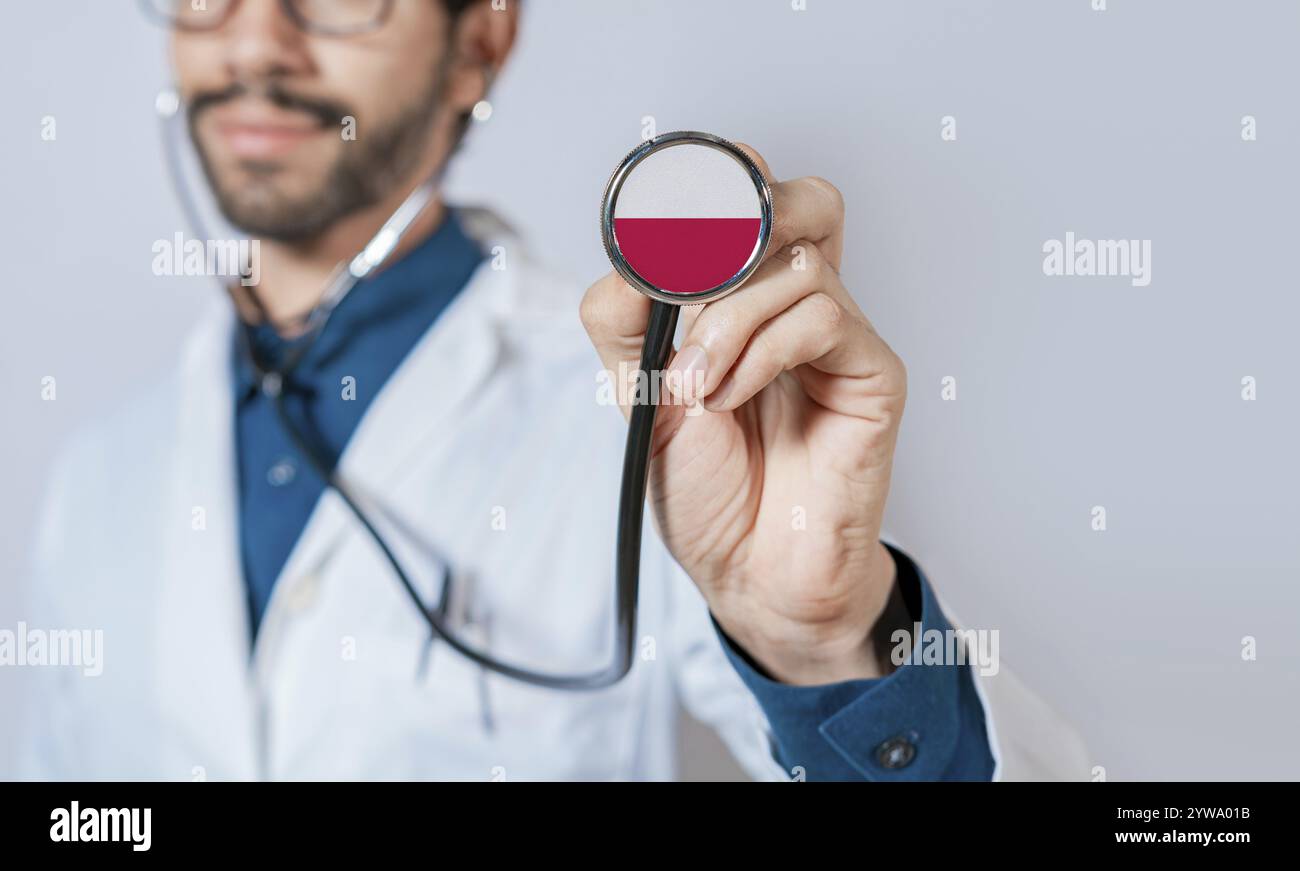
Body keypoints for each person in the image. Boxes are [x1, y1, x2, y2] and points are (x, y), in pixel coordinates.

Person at [17, 0, 1087, 780]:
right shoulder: (95, 477)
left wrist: (822, 646)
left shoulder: (671, 417)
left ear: (477, 42)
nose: (253, 41)